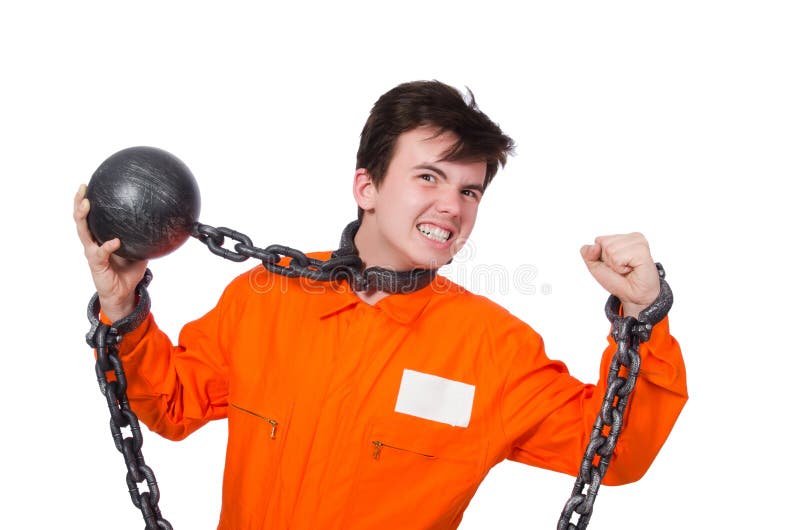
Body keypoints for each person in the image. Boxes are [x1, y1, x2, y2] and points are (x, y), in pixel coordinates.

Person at [74, 80, 687, 530]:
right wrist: (122, 307)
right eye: (428, 177)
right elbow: (173, 404)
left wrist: (642, 319)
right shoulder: (262, 302)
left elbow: (614, 448)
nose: (453, 205)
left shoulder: (490, 348)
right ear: (366, 186)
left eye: (468, 189)